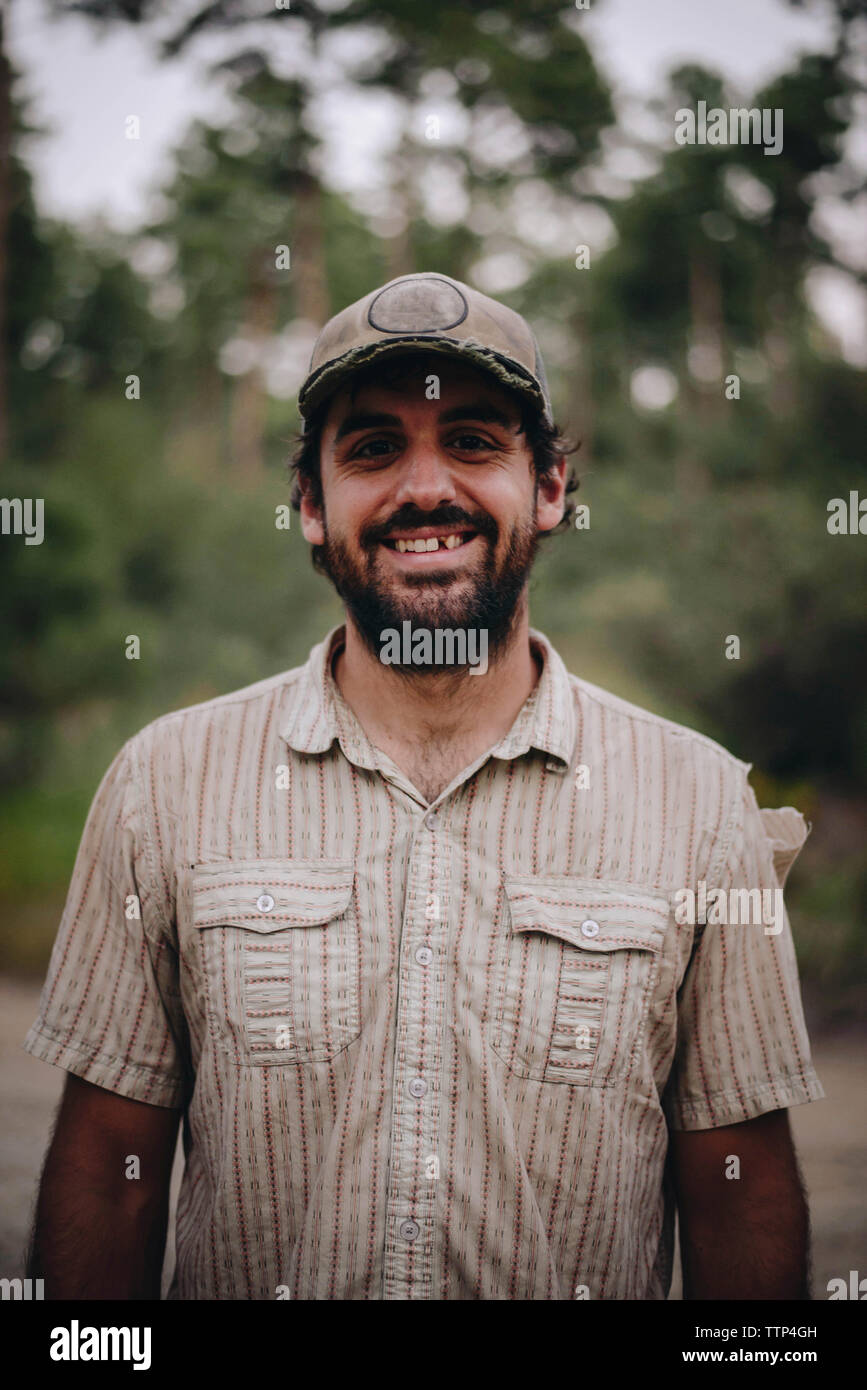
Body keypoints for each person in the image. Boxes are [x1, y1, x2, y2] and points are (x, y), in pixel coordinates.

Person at [25, 272, 824, 1300]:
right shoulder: (163, 784)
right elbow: (110, 1172)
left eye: (476, 441)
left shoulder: (698, 801)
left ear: (548, 487)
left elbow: (737, 1183)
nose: (425, 488)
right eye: (372, 449)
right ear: (312, 505)